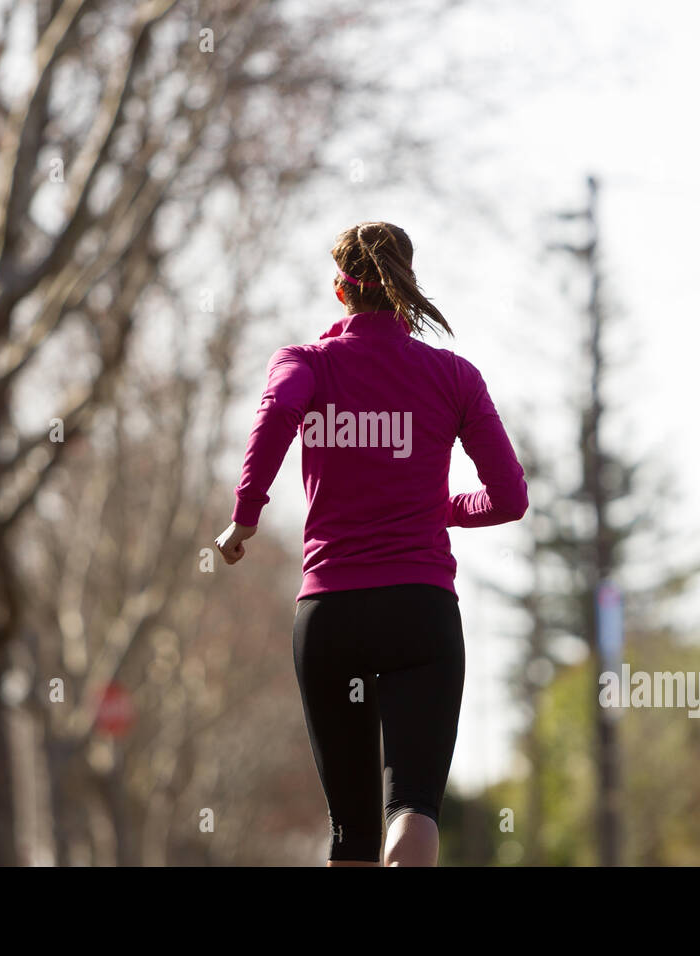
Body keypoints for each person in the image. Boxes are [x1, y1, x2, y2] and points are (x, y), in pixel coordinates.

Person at [216, 221, 528, 866]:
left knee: (350, 832)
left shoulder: (305, 364)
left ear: (341, 291)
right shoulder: (454, 377)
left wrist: (245, 516)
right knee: (412, 806)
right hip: (420, 611)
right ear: (406, 286)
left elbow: (278, 413)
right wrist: (441, 509)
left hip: (331, 616)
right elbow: (509, 498)